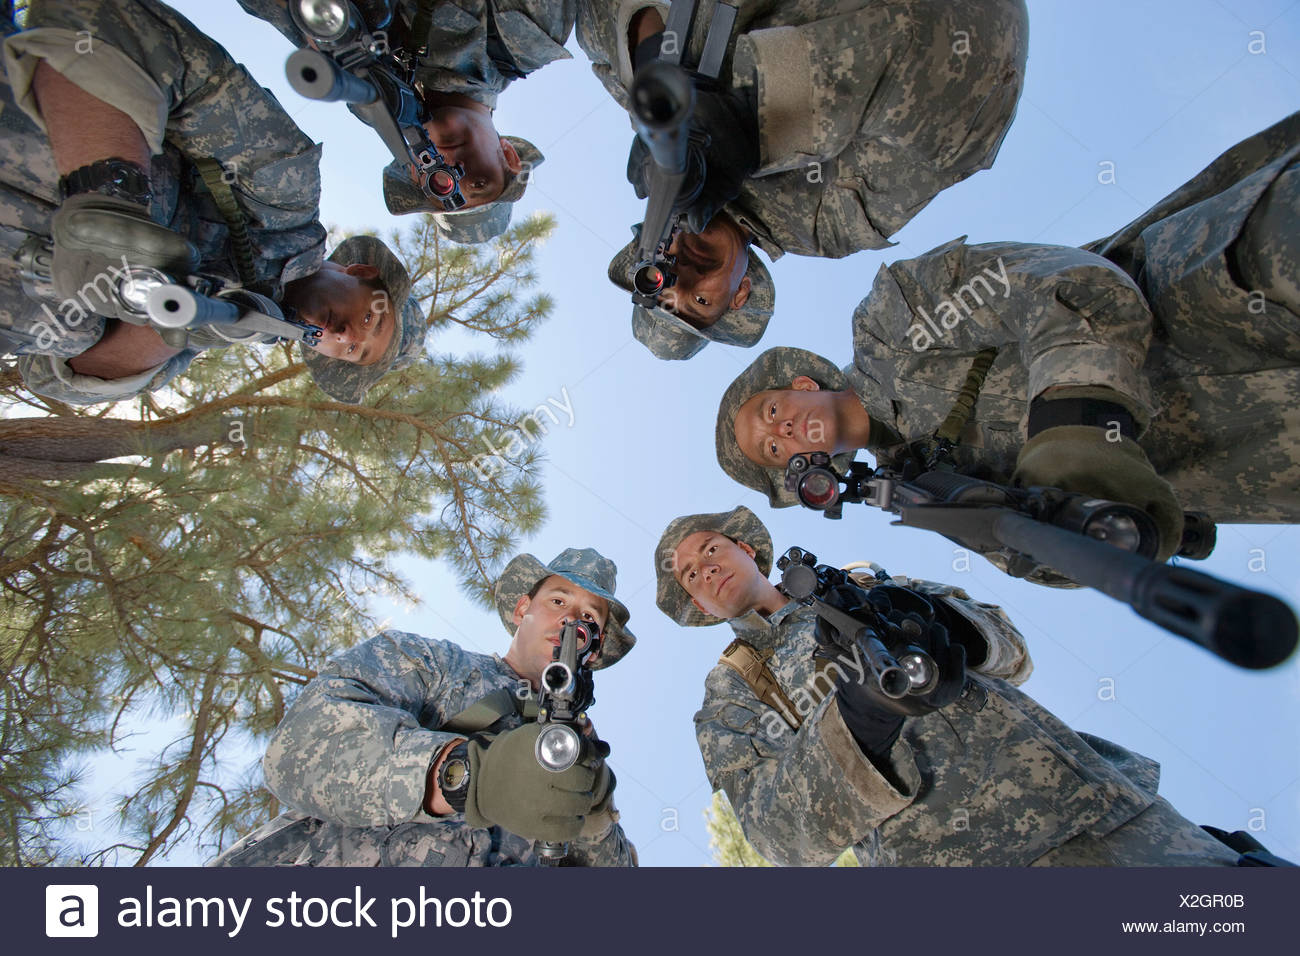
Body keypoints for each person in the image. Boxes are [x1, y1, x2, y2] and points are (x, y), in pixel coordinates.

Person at [715, 113, 1300, 562]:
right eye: (772, 448)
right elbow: (1045, 560)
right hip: (1253, 449)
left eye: (771, 411)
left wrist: (1077, 423)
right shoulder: (923, 497)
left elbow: (1060, 283)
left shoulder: (889, 327)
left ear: (800, 383)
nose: (782, 430)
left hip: (1225, 290)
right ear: (797, 469)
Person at [654, 505, 1242, 866]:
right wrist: (861, 719)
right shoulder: (730, 693)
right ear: (700, 607)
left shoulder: (864, 580)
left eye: (711, 547)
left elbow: (1010, 649)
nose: (703, 567)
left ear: (748, 550)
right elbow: (779, 837)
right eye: (689, 574)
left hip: (1099, 811)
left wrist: (945, 625)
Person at [0, 0, 422, 406]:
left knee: (78, 331)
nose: (349, 335)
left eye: (352, 352)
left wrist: (186, 324)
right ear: (361, 273)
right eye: (372, 321)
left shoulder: (195, 340)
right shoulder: (284, 189)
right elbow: (104, 19)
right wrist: (108, 198)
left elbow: (47, 374)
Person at [578, 0, 1028, 358]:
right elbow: (980, 63)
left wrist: (652, 54)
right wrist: (755, 118)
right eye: (698, 304)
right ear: (740, 295)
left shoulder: (639, 100)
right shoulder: (825, 223)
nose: (685, 279)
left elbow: (591, 17)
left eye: (661, 281)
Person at [211, 547, 637, 866]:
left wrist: (595, 810)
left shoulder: (584, 747)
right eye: (558, 602)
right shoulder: (430, 664)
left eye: (588, 619)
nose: (569, 622)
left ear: (594, 650)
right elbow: (300, 748)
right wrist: (463, 776)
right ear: (523, 608)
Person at [239, 0, 568, 243]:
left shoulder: (365, 88)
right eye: (479, 182)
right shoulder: (529, 37)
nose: (451, 166)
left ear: (413, 167)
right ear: (508, 156)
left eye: (438, 183)